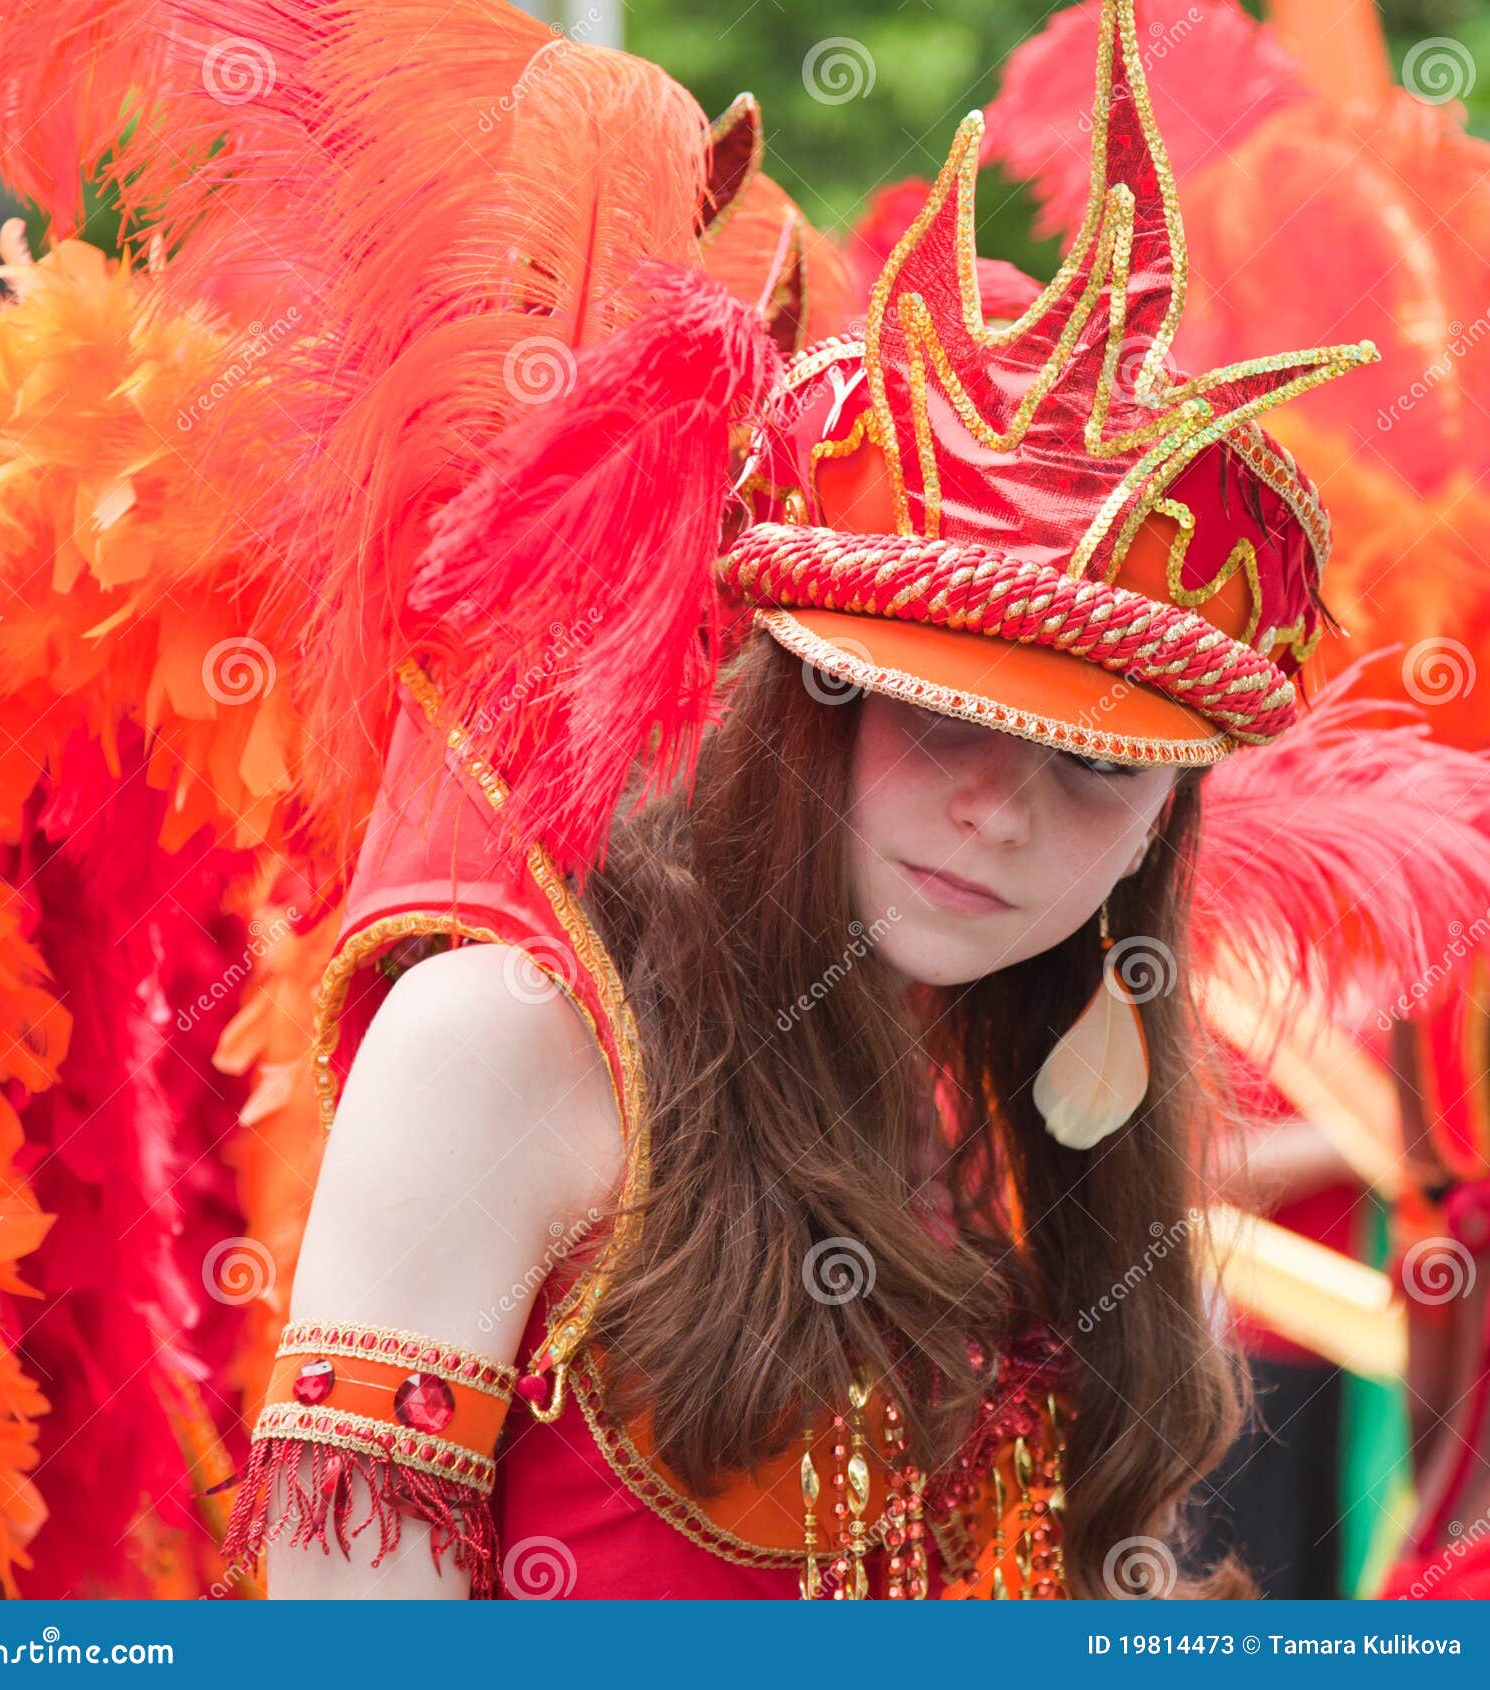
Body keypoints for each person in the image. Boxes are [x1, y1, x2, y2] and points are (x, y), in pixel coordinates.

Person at [219, 0, 1383, 1601]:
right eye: (928, 711)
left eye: (1097, 762)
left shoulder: (1042, 1106)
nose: (999, 811)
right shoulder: (513, 1044)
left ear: (1167, 825)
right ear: (792, 697)